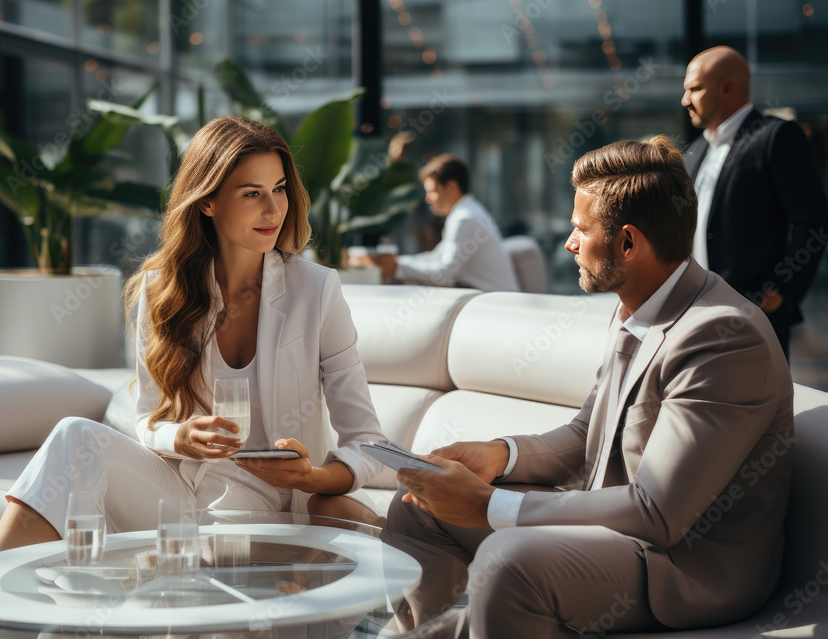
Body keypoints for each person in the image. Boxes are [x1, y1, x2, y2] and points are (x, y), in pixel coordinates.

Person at [387, 136, 794, 637]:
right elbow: (587, 434)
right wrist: (499, 455)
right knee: (417, 506)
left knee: (507, 560)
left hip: (684, 565)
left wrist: (488, 505)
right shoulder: (637, 307)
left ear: (628, 243)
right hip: (620, 530)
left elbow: (657, 512)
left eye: (580, 229)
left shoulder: (723, 337)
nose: (569, 244)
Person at [0, 116, 386, 554]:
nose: (273, 210)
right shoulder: (163, 290)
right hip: (182, 499)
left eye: (279, 189)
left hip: (279, 512)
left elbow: (368, 442)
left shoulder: (316, 289)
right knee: (73, 437)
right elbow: (147, 419)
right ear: (208, 202)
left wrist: (312, 477)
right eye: (252, 193)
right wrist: (178, 438)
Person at [681, 45, 828, 359]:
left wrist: (780, 289)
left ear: (727, 87)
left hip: (754, 312)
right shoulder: (694, 151)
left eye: (695, 89)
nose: (685, 100)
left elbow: (813, 221)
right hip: (696, 312)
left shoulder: (775, 136)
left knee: (758, 391)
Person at [354, 153, 519, 292]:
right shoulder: (468, 212)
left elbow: (445, 273)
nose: (428, 199)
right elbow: (437, 258)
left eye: (432, 191)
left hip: (495, 306)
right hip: (492, 301)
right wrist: (396, 262)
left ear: (451, 187)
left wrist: (396, 267)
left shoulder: (465, 218)